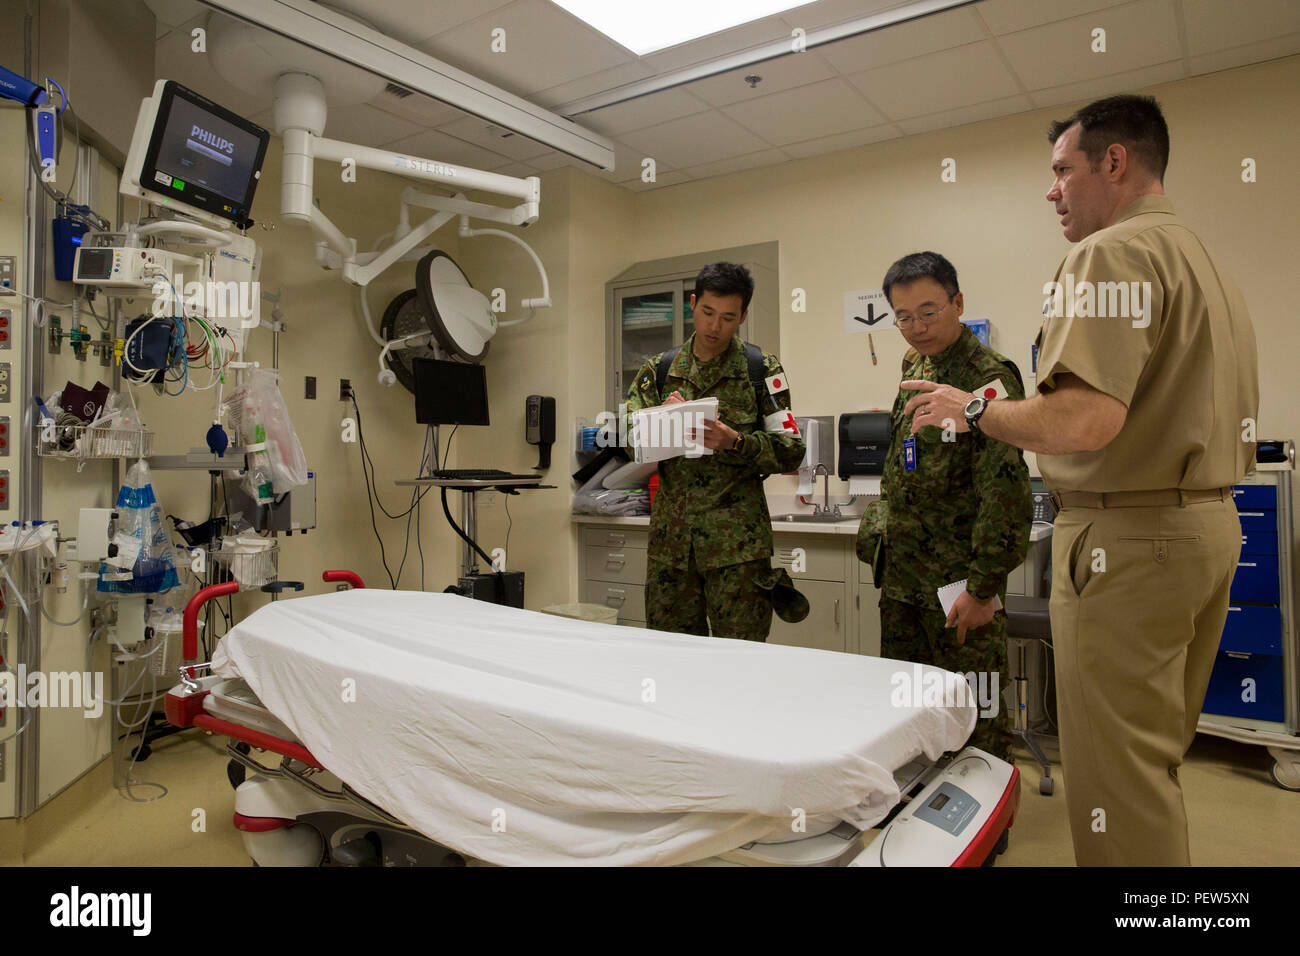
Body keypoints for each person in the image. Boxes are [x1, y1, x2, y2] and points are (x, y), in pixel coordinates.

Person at [899, 94, 1259, 866]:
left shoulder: (1108, 255)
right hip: (1203, 526)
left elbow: (1083, 420)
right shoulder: (1203, 261)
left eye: (1063, 170)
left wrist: (977, 409)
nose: (1052, 189)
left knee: (1115, 775)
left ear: (1116, 161)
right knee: (1152, 759)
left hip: (1128, 538)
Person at [856, 252, 1032, 762]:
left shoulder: (989, 379)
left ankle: (988, 828)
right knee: (908, 710)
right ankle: (917, 815)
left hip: (958, 581)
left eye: (929, 312)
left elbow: (1005, 491)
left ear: (958, 303)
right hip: (905, 576)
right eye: (904, 317)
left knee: (974, 708)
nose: (917, 327)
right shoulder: (916, 365)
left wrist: (983, 588)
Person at [625, 262, 805, 640]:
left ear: (743, 316)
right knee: (670, 658)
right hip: (672, 551)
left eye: (727, 317)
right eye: (707, 313)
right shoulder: (658, 371)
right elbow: (629, 440)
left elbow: (790, 451)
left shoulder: (762, 369)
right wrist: (663, 420)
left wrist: (736, 441)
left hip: (738, 552)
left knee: (741, 663)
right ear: (693, 304)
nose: (714, 326)